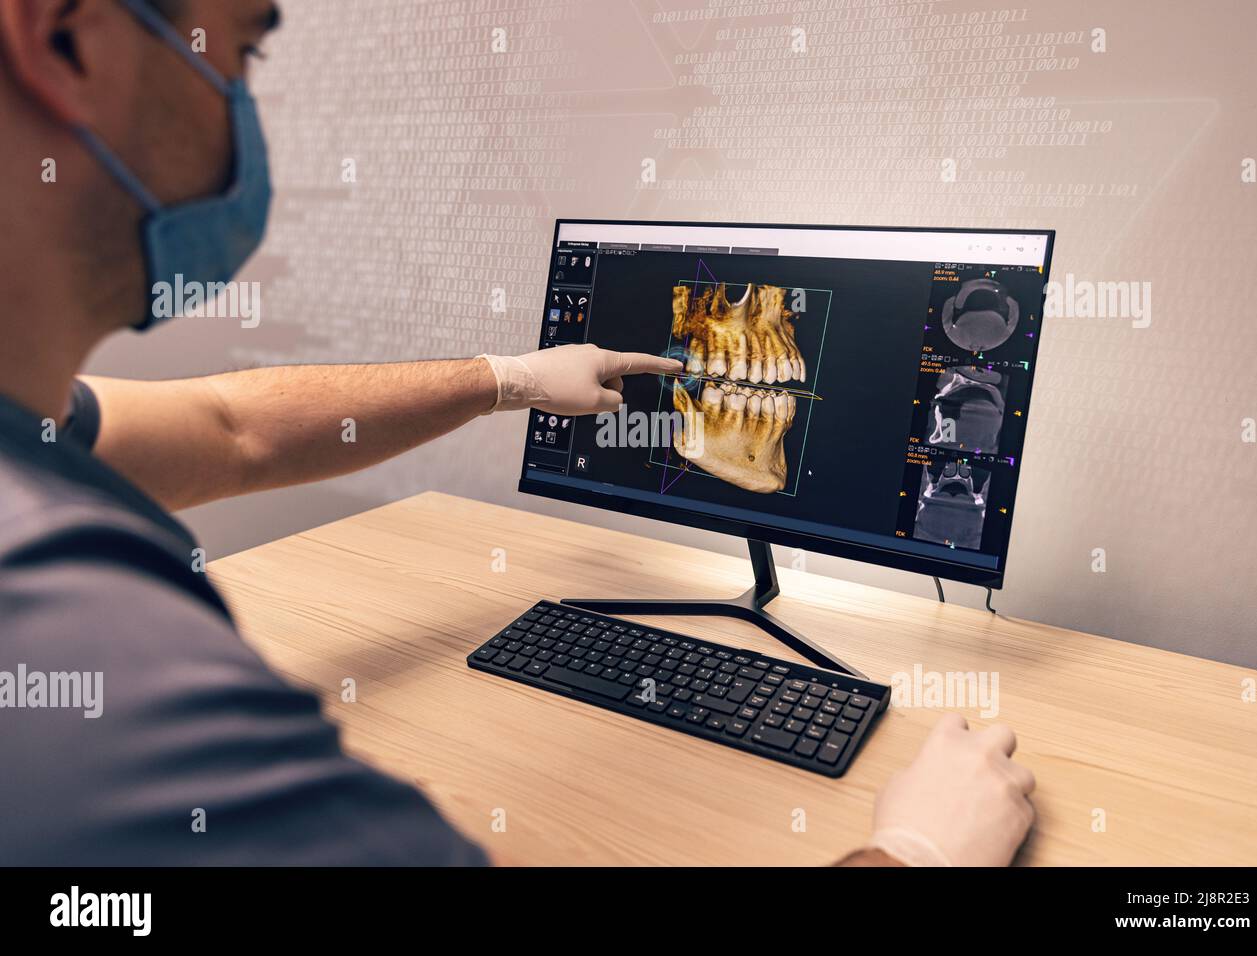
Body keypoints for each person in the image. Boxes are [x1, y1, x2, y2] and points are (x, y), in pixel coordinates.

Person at [0, 0, 1035, 866]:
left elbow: (231, 430)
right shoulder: (87, 653)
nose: (245, 106)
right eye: (242, 46)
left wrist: (506, 379)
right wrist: (914, 852)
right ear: (63, 39)